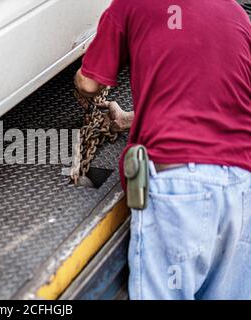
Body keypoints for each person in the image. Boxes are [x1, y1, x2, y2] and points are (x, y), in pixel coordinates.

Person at [75, 0, 251, 299]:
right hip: (242, 185)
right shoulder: (235, 13)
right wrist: (132, 119)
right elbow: (217, 100)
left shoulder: (131, 5)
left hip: (180, 185)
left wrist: (85, 93)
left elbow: (89, 83)